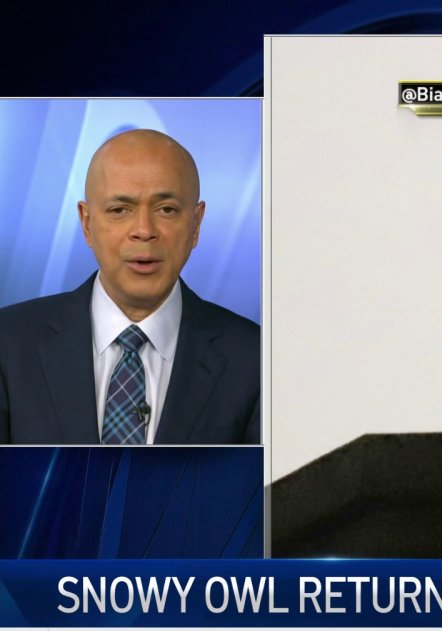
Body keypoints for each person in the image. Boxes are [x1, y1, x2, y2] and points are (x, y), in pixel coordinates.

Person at [0, 129, 260, 444]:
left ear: (196, 225)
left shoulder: (256, 358)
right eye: (120, 210)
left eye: (166, 209)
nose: (143, 231)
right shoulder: (9, 343)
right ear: (87, 222)